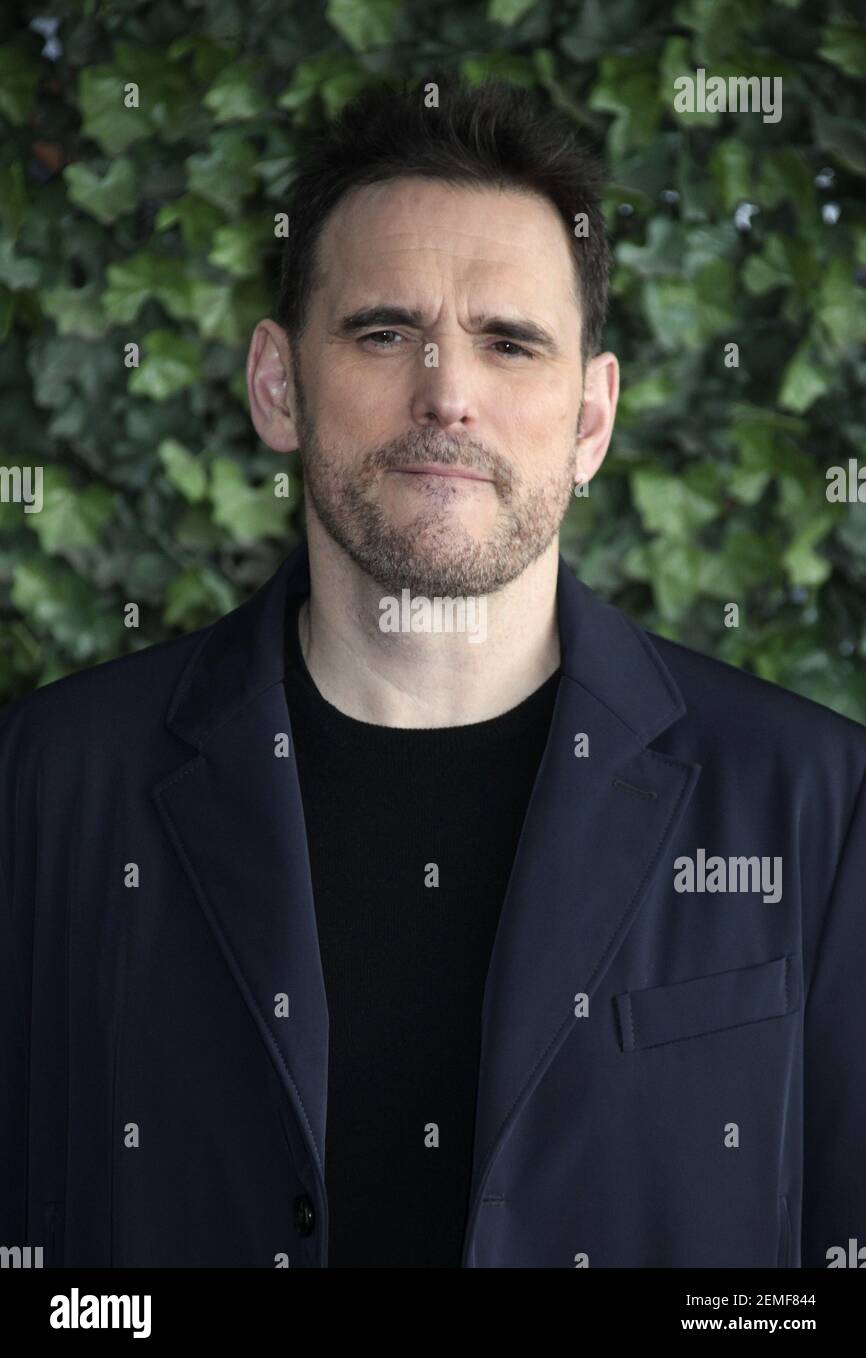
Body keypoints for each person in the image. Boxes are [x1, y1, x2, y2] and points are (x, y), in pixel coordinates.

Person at [1, 75, 864, 1269]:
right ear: (276, 384)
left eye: (507, 342)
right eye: (381, 331)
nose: (446, 393)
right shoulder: (51, 784)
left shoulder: (811, 801)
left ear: (589, 419)